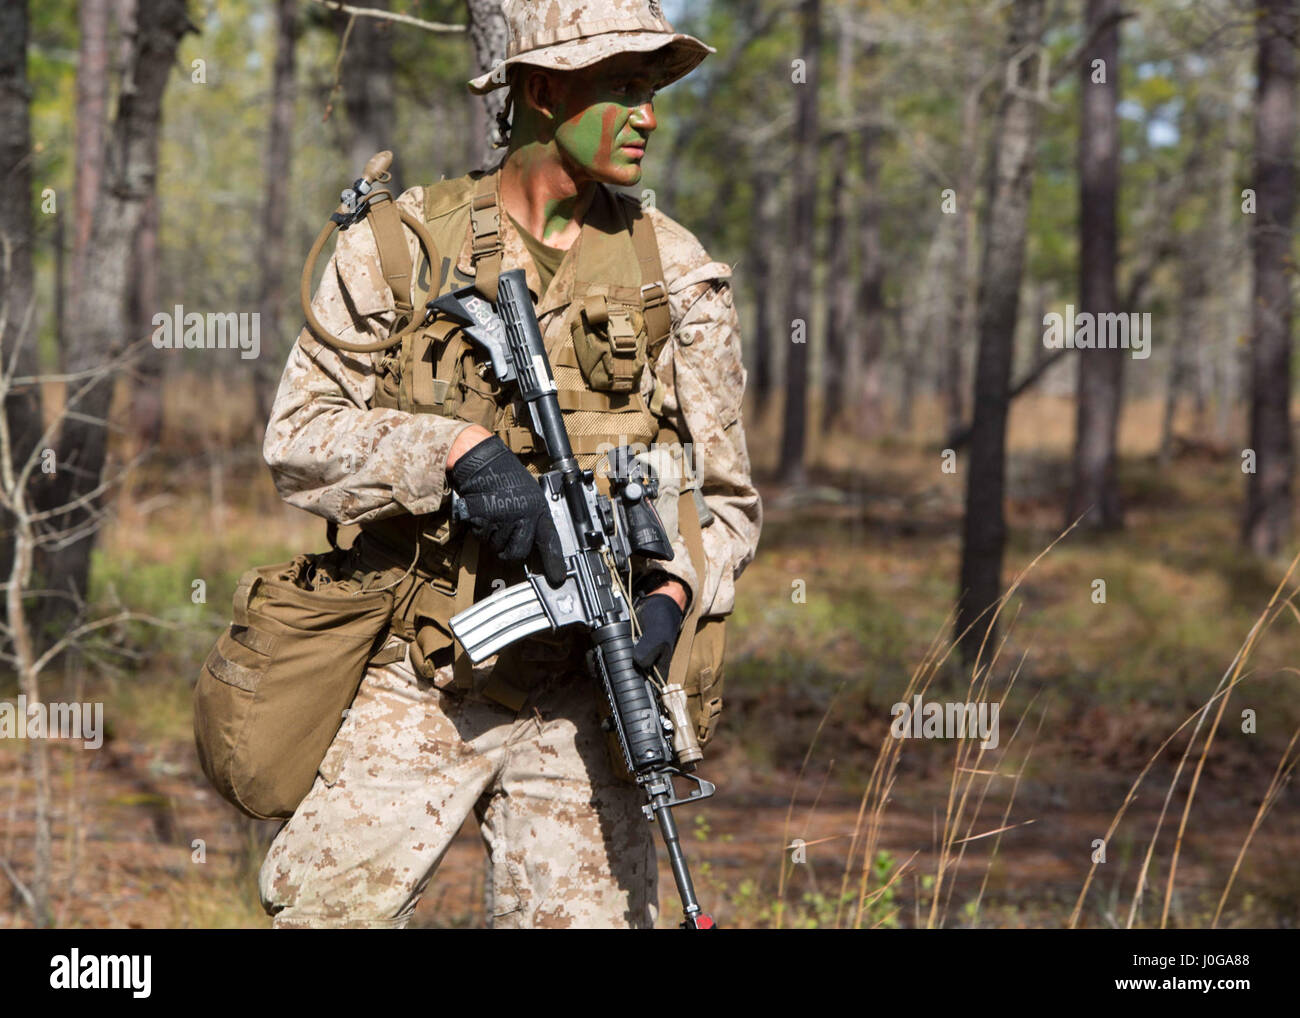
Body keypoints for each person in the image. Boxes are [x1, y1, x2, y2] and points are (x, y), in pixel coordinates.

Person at [257, 0, 761, 929]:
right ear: (538, 88)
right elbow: (298, 437)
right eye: (621, 86)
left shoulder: (679, 275)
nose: (648, 113)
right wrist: (452, 450)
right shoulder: (400, 246)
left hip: (585, 696)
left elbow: (725, 500)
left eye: (651, 89)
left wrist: (672, 595)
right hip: (424, 670)